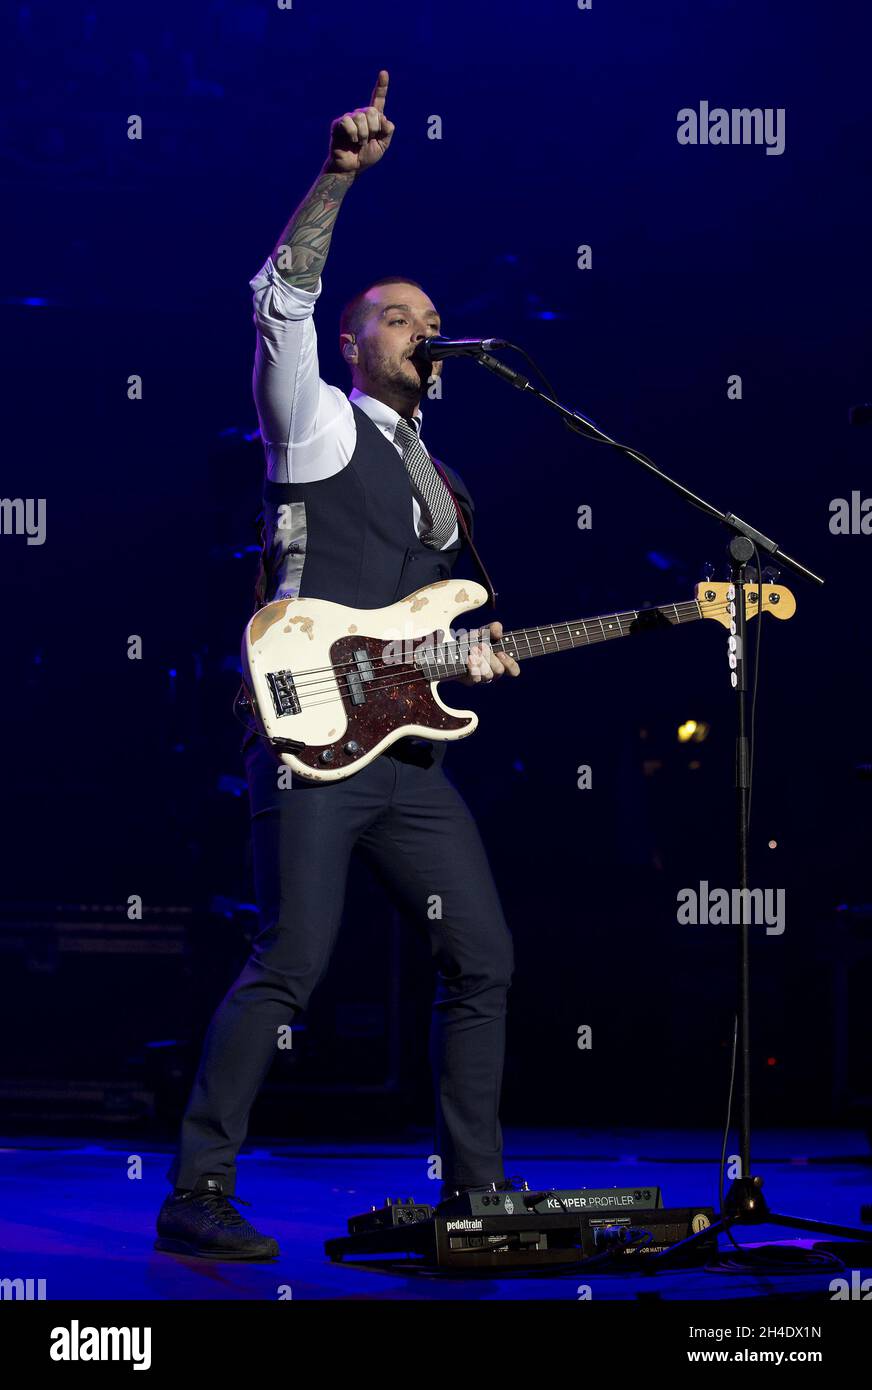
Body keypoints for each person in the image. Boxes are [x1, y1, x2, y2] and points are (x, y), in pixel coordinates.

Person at [156, 71, 520, 1260]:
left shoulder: (444, 483)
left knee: (483, 955)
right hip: (312, 737)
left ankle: (475, 1194)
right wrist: (338, 176)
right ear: (357, 342)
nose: (424, 326)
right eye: (399, 314)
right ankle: (197, 1189)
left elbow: (422, 631)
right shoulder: (316, 419)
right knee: (292, 961)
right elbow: (281, 293)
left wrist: (473, 655)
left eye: (429, 315)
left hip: (409, 751)